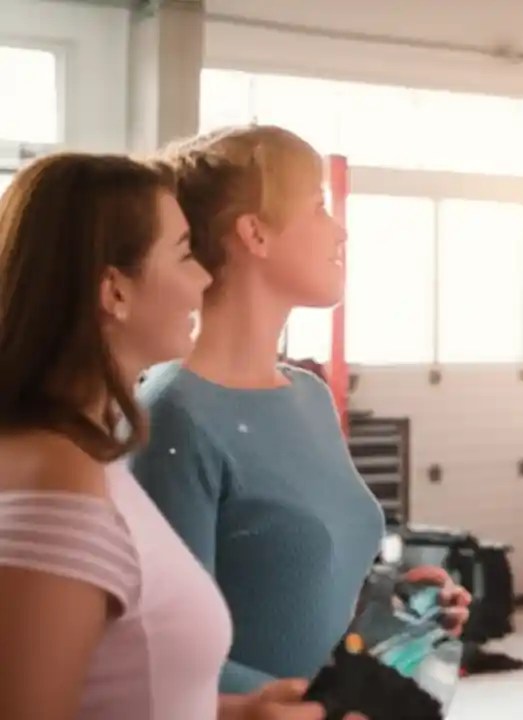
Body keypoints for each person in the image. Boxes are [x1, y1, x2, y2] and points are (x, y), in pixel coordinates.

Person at [128, 125, 470, 695]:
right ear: (254, 233)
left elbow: (299, 585)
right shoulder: (174, 415)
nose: (340, 229)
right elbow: (161, 649)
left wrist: (397, 606)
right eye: (318, 206)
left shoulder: (306, 395)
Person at [0, 153, 340, 719]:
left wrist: (237, 713)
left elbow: (120, 694)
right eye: (185, 255)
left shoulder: (88, 454)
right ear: (115, 291)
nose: (204, 279)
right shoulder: (58, 481)